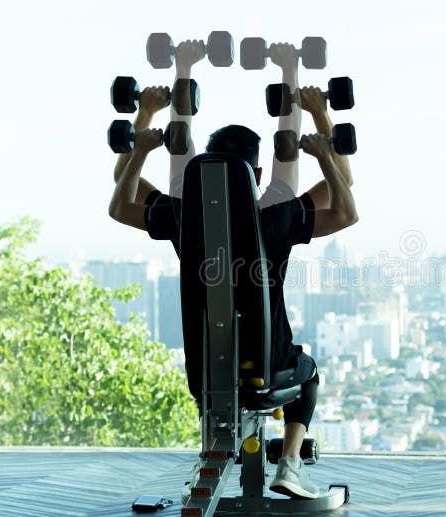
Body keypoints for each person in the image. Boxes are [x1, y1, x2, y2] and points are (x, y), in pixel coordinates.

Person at [108, 41, 357, 500]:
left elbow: (122, 199)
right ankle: (288, 464)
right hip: (270, 362)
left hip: (205, 371)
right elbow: (342, 201)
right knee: (310, 374)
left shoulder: (183, 215)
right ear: (257, 176)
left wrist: (145, 123)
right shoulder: (276, 215)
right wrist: (319, 125)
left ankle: (211, 452)